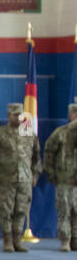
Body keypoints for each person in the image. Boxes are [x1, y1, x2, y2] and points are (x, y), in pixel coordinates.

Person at [0, 102, 41, 253]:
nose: (18, 117)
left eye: (20, 114)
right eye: (15, 114)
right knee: (5, 211)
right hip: (6, 180)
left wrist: (35, 175)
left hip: (24, 180)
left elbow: (36, 158)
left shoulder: (29, 134)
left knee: (21, 211)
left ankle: (18, 240)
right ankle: (7, 241)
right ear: (8, 115)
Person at [43, 102, 77, 251]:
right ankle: (65, 240)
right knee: (64, 211)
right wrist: (51, 174)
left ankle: (75, 240)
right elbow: (49, 153)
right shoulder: (60, 133)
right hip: (64, 179)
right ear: (70, 115)